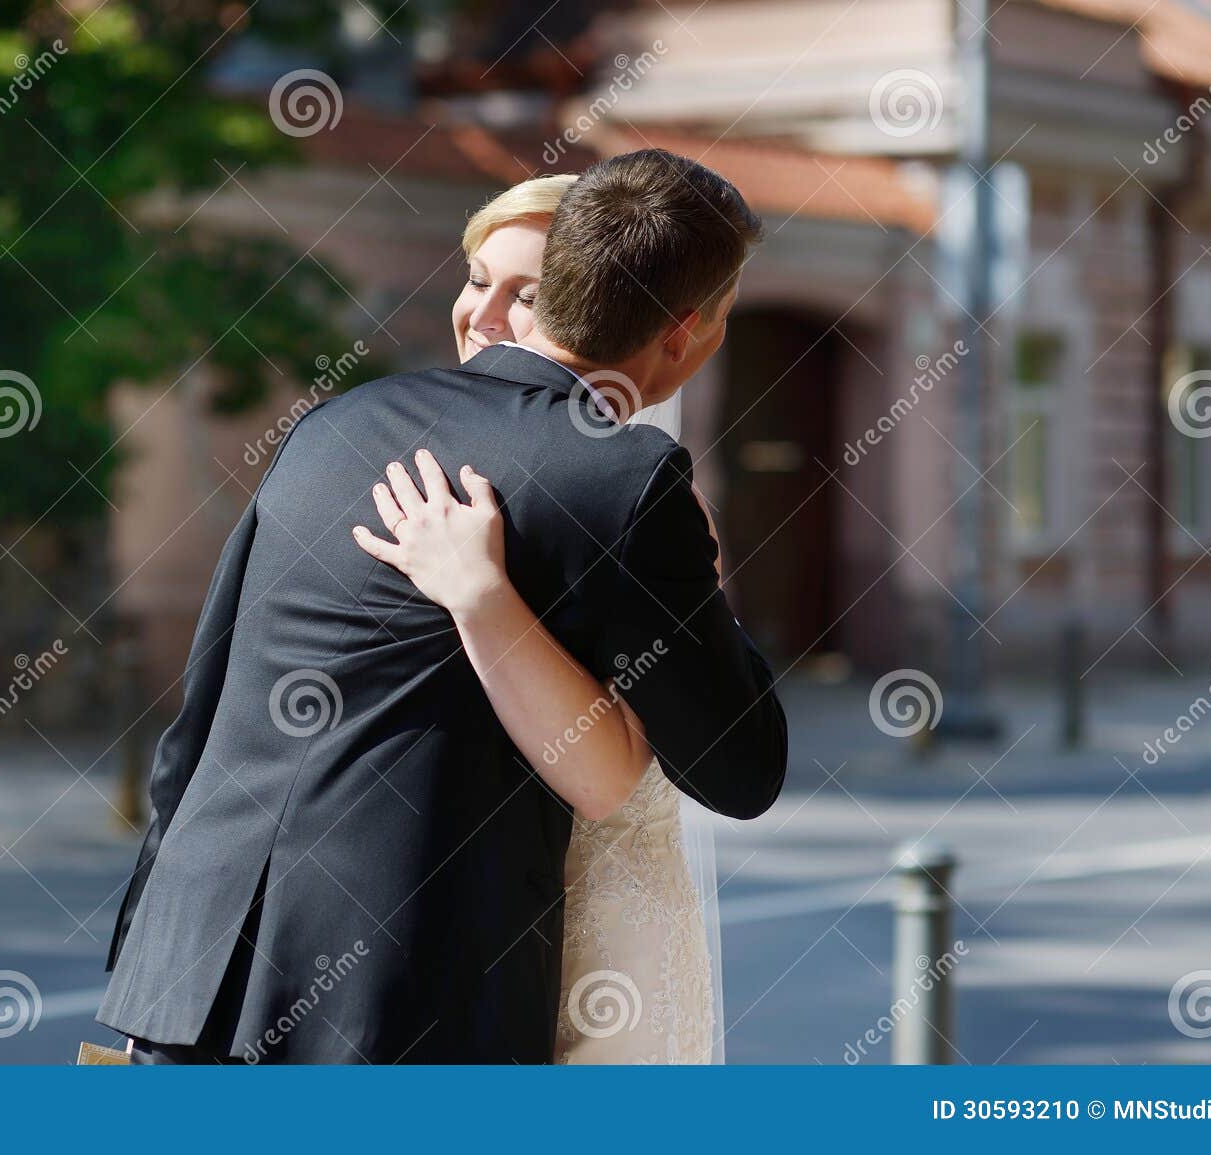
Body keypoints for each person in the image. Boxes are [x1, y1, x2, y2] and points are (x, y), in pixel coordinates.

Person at [96, 148, 787, 1064]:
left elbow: (205, 713)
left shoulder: (331, 428)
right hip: (394, 1012)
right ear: (685, 333)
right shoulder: (620, 478)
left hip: (190, 984)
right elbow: (741, 768)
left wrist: (145, 969)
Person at [354, 172, 731, 1063]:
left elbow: (640, 759)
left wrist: (482, 593)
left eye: (525, 294)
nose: (483, 315)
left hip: (594, 921)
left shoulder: (631, 501)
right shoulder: (396, 464)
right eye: (477, 277)